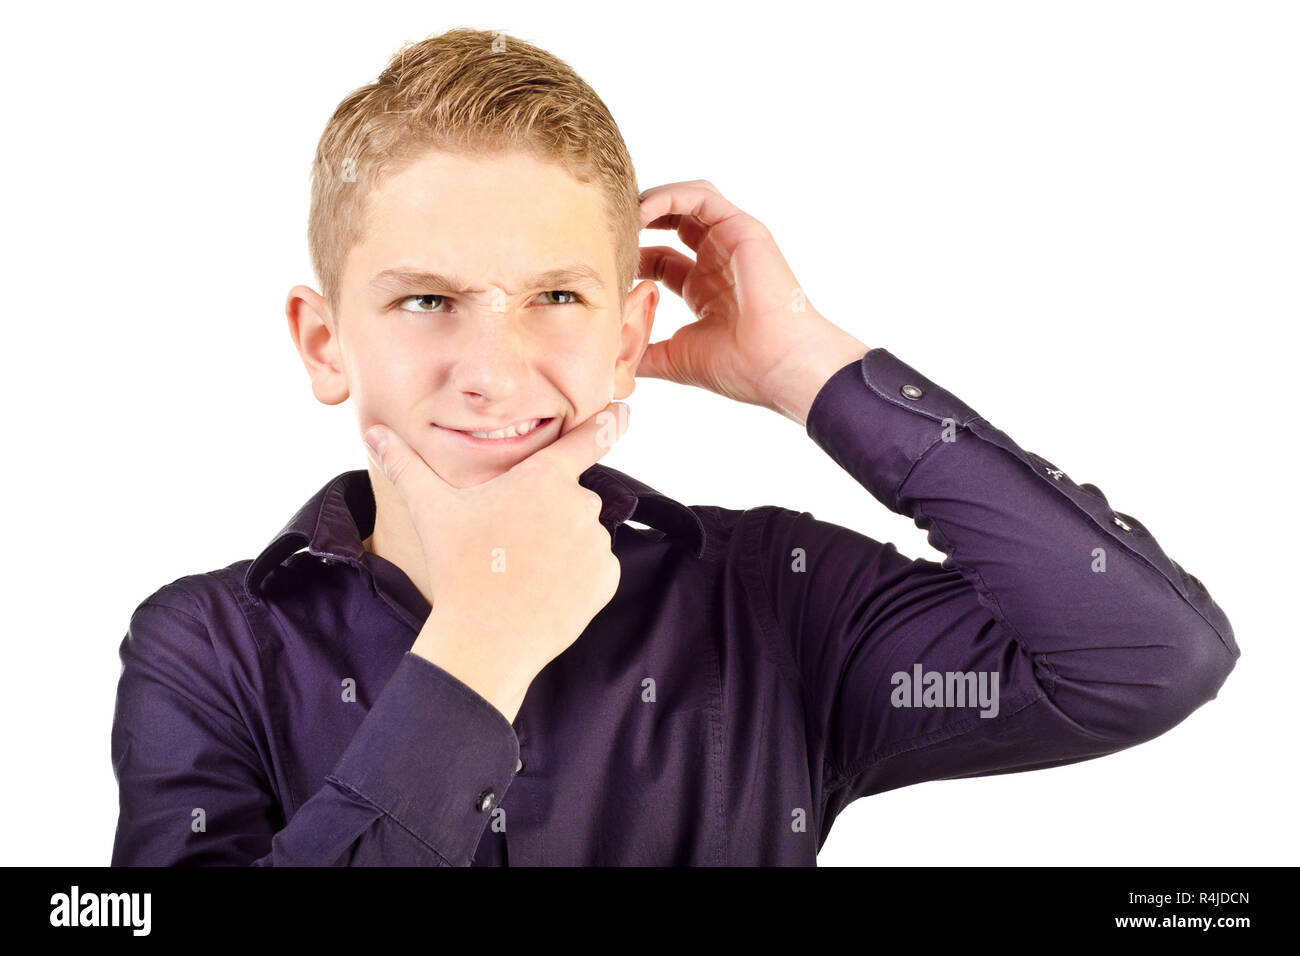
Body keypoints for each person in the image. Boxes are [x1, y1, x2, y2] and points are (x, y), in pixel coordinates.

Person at [109, 27, 1239, 866]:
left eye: (555, 294)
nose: (494, 368)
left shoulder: (772, 601)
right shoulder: (204, 647)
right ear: (323, 342)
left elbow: (1147, 655)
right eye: (424, 301)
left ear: (627, 337)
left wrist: (809, 369)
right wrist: (478, 652)